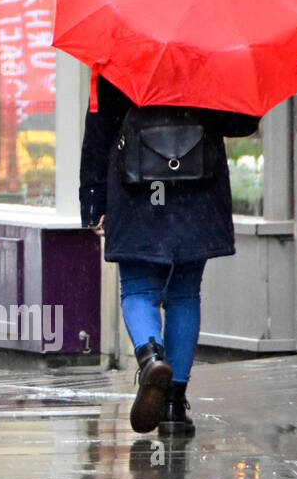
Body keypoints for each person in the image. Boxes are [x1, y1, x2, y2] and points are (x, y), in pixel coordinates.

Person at [80, 75, 260, 436]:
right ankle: (174, 406)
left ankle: (151, 358)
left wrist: (93, 201)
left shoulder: (116, 56)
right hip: (197, 188)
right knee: (183, 294)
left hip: (136, 189)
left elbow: (98, 132)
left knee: (138, 289)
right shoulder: (212, 54)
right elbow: (240, 123)